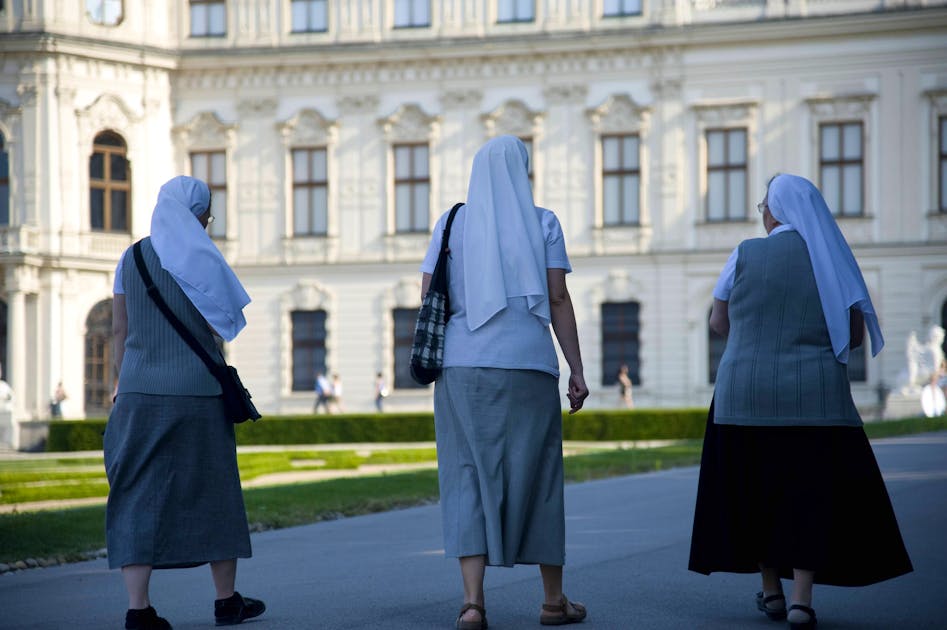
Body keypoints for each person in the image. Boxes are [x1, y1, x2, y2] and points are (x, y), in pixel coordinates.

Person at [688, 174, 912, 629]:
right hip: (816, 399)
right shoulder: (833, 257)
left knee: (756, 490)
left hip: (745, 392)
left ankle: (770, 591)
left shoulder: (745, 253)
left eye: (763, 205)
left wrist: (755, 341)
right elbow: (852, 336)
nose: (761, 212)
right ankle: (800, 601)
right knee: (807, 496)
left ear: (776, 211)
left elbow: (717, 321)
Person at [420, 136, 590, 629]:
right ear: (524, 172)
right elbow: (558, 298)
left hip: (462, 366)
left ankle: (473, 604)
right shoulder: (543, 222)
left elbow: (429, 295)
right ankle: (553, 601)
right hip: (529, 367)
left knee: (466, 474)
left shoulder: (450, 224)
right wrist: (576, 369)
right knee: (539, 476)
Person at [106, 176, 265, 629]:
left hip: (138, 393)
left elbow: (120, 329)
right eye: (208, 217)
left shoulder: (131, 256)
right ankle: (226, 600)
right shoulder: (203, 257)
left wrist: (129, 375)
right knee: (215, 493)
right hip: (197, 393)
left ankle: (139, 610)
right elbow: (221, 327)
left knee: (135, 495)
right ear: (199, 215)